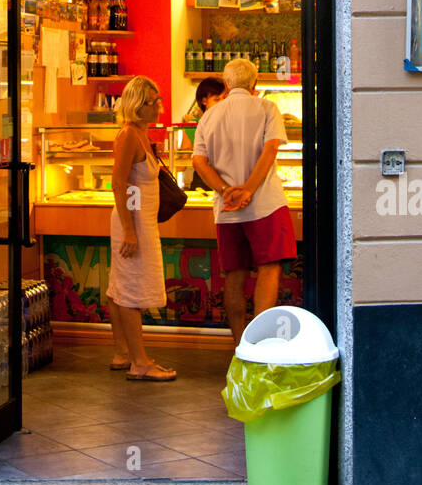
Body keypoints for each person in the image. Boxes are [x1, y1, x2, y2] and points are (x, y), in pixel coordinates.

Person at [192, 57, 297, 345]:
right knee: (269, 269)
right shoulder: (267, 108)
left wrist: (226, 191)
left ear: (225, 84)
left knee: (234, 276)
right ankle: (261, 347)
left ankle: (240, 346)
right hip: (266, 204)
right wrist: (249, 189)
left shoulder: (209, 116)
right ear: (255, 84)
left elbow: (199, 162)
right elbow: (270, 151)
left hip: (227, 211)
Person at [105, 76, 176, 382]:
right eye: (152, 101)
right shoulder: (129, 136)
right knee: (131, 292)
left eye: (158, 100)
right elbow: (119, 184)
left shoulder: (142, 135)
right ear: (137, 105)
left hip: (139, 219)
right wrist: (129, 230)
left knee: (119, 287)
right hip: (132, 222)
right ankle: (140, 362)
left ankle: (123, 352)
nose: (159, 106)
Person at [181, 77, 226, 191]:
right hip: (202, 184)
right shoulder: (192, 126)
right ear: (204, 101)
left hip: (229, 181)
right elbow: (181, 165)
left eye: (224, 98)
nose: (222, 103)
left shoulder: (231, 123)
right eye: (216, 99)